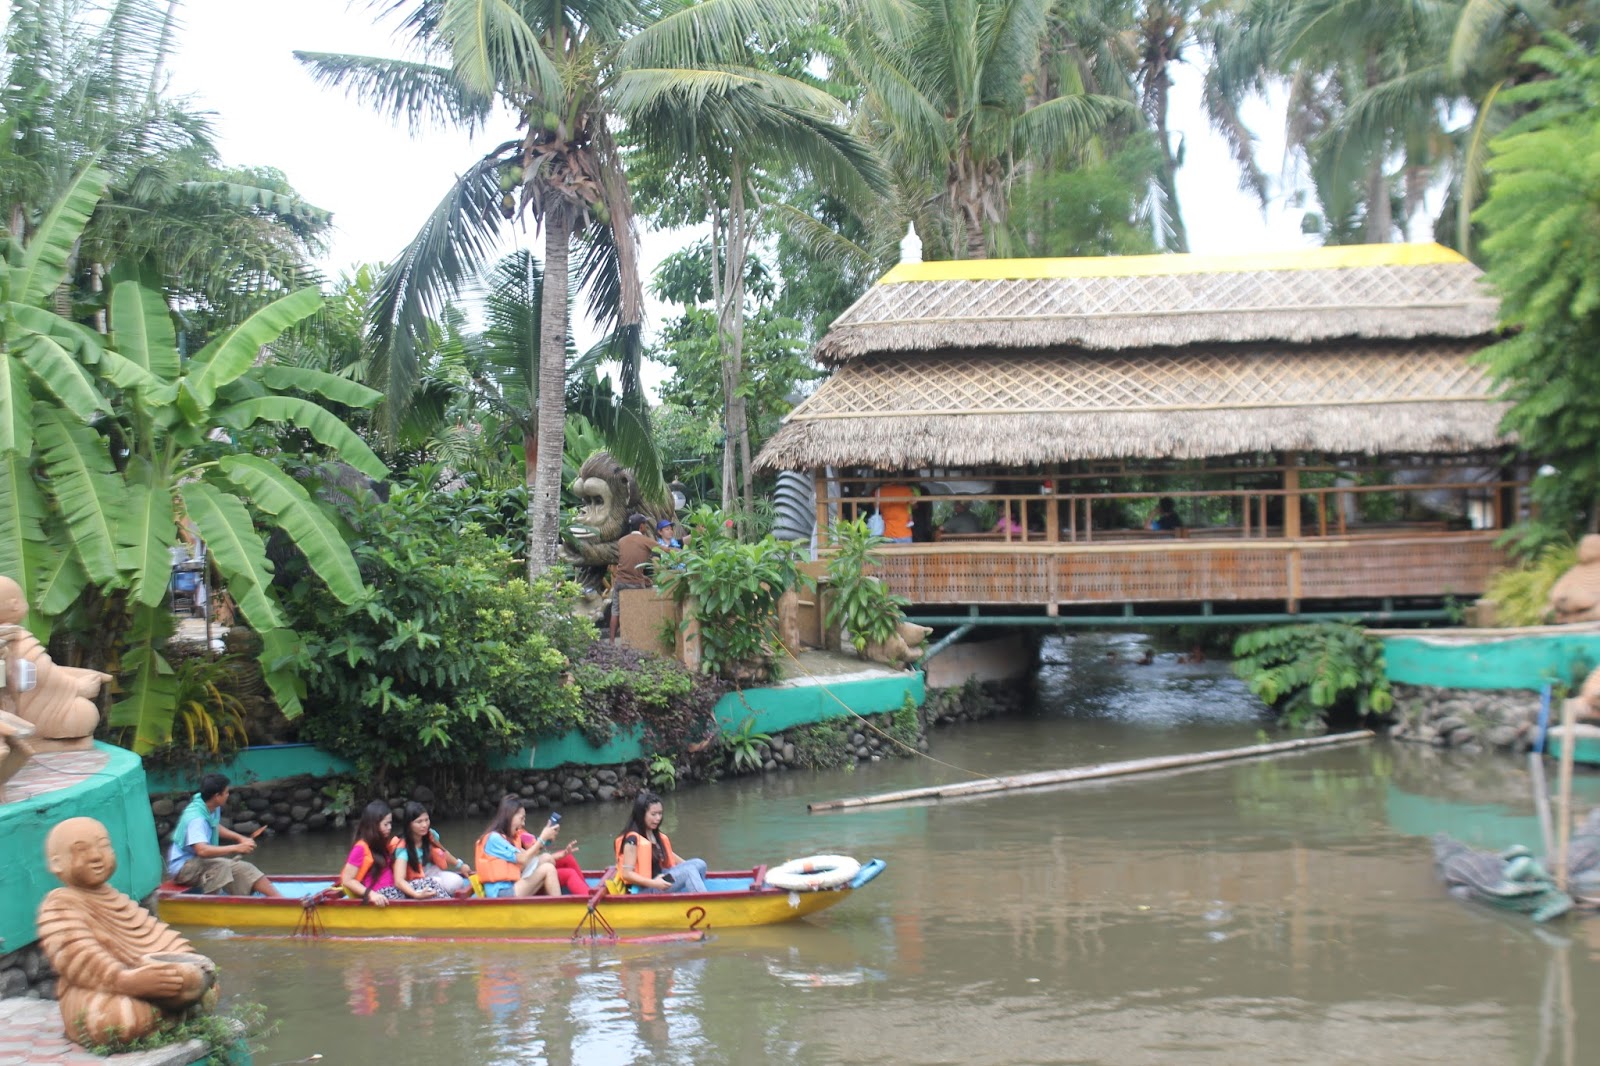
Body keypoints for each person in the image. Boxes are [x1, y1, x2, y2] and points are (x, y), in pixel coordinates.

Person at [37, 817, 215, 1046]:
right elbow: (76, 956)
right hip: (101, 989)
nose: (96, 856)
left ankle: (170, 1009)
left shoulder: (117, 899)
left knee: (203, 981)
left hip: (148, 981)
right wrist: (124, 980)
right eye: (81, 850)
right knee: (119, 1018)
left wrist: (191, 962)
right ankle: (172, 1013)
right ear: (56, 864)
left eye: (103, 846)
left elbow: (158, 937)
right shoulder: (60, 904)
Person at [166, 773, 281, 896]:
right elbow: (202, 850)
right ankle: (211, 904)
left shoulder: (210, 805)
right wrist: (237, 848)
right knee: (221, 867)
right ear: (217, 796)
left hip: (200, 862)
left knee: (244, 868)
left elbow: (214, 826)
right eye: (226, 792)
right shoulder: (197, 819)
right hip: (183, 868)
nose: (228, 795)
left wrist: (240, 838)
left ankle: (279, 899)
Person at [474, 795, 572, 898]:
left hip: (513, 884)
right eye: (521, 818)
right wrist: (542, 838)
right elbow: (523, 859)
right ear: (510, 815)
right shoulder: (494, 838)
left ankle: (548, 898)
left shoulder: (507, 837)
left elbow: (527, 856)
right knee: (548, 868)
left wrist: (545, 841)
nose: (523, 823)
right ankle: (558, 907)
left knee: (546, 858)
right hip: (501, 893)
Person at [614, 790, 708, 894]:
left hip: (661, 877)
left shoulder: (652, 833)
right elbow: (627, 874)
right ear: (641, 814)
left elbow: (666, 853)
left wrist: (687, 866)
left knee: (699, 864)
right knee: (689, 871)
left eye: (660, 813)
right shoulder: (632, 840)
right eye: (653, 814)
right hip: (646, 888)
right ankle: (703, 901)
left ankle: (692, 889)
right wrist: (654, 883)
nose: (658, 818)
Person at [340, 800, 405, 905]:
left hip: (392, 889)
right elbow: (347, 880)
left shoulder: (379, 844)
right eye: (386, 824)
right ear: (374, 825)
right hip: (382, 894)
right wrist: (371, 894)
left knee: (433, 883)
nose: (390, 827)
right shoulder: (360, 848)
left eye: (390, 823)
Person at [611, 513, 658, 639]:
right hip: (635, 583)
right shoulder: (645, 540)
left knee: (615, 611)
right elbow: (665, 551)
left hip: (619, 582)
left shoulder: (621, 541)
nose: (647, 527)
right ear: (641, 526)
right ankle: (639, 637)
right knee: (641, 609)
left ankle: (611, 641)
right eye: (646, 525)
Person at [391, 801, 451, 900]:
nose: (424, 825)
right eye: (419, 822)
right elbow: (398, 881)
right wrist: (416, 895)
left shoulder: (429, 835)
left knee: (457, 882)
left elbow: (443, 852)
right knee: (437, 882)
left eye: (426, 820)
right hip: (413, 883)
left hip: (428, 874)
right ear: (409, 824)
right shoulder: (403, 849)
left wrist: (460, 865)